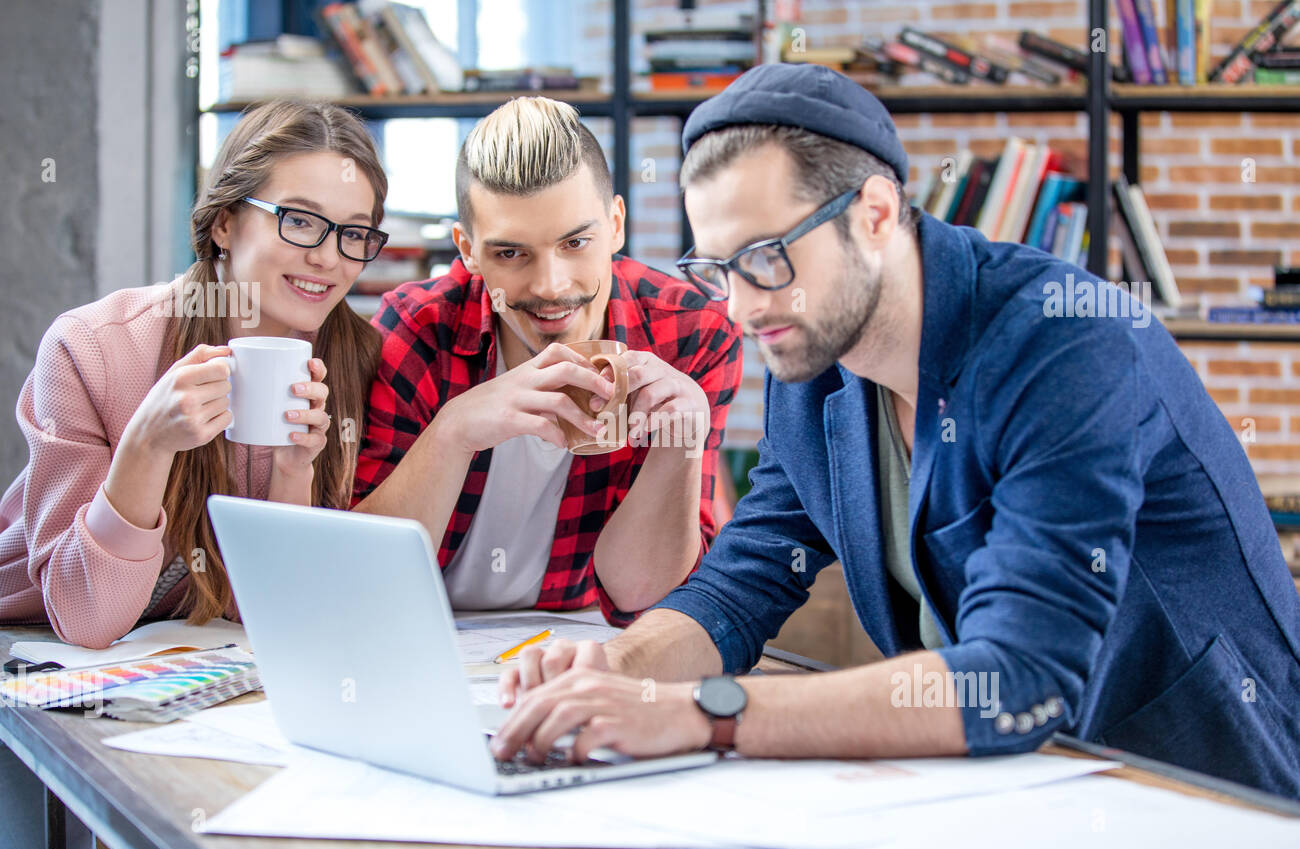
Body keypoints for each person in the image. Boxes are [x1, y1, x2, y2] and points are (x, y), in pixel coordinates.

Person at [489, 64, 1300, 799]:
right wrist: (614, 670)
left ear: (874, 212)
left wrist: (706, 712)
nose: (738, 308)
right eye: (718, 269)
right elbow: (741, 583)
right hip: (1019, 790)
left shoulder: (1066, 345)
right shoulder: (813, 367)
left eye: (768, 258)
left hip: (1205, 798)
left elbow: (1016, 679)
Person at [0, 101, 389, 649]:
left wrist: (293, 475)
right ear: (225, 222)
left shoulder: (361, 360)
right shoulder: (94, 347)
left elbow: (278, 618)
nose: (329, 258)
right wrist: (146, 447)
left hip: (203, 657)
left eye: (354, 233)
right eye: (299, 221)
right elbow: (84, 617)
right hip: (30, 641)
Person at [352, 97, 742, 624]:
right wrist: (454, 430)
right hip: (419, 624)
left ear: (617, 225)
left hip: (584, 631)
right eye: (510, 254)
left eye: (576, 242)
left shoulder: (693, 333)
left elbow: (642, 597)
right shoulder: (418, 328)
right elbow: (362, 577)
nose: (551, 287)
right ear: (467, 249)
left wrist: (681, 444)